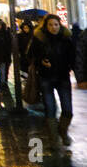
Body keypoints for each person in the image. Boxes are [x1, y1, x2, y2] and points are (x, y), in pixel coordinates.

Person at [28, 14, 75, 144]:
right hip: (46, 78)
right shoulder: (39, 39)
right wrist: (41, 62)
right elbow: (30, 56)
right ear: (45, 26)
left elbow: (73, 57)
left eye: (56, 24)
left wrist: (75, 70)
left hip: (63, 77)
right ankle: (54, 139)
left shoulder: (66, 39)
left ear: (60, 25)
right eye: (50, 25)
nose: (53, 27)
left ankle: (63, 131)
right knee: (50, 108)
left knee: (68, 109)